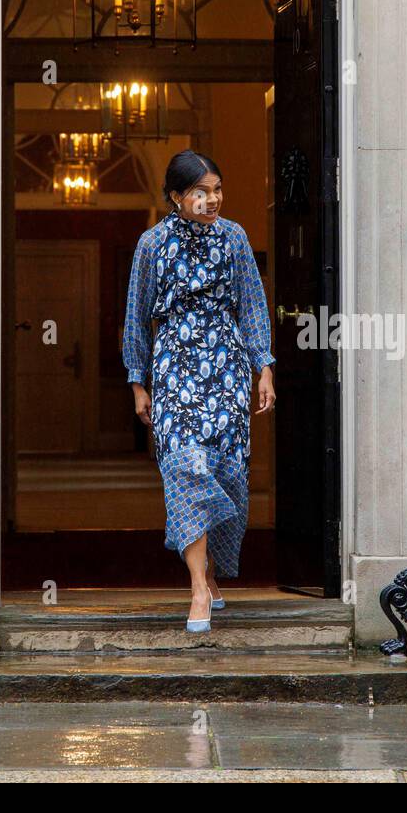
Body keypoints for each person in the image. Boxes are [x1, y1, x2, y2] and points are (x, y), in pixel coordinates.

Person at [122, 150, 276, 633]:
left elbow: (252, 303)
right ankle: (195, 589)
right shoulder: (152, 244)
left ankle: (211, 572)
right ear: (175, 196)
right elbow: (136, 314)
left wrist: (264, 367)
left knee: (225, 473)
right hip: (173, 368)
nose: (212, 199)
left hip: (227, 369)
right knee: (185, 469)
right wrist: (136, 380)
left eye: (217, 189)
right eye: (200, 191)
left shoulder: (235, 238)